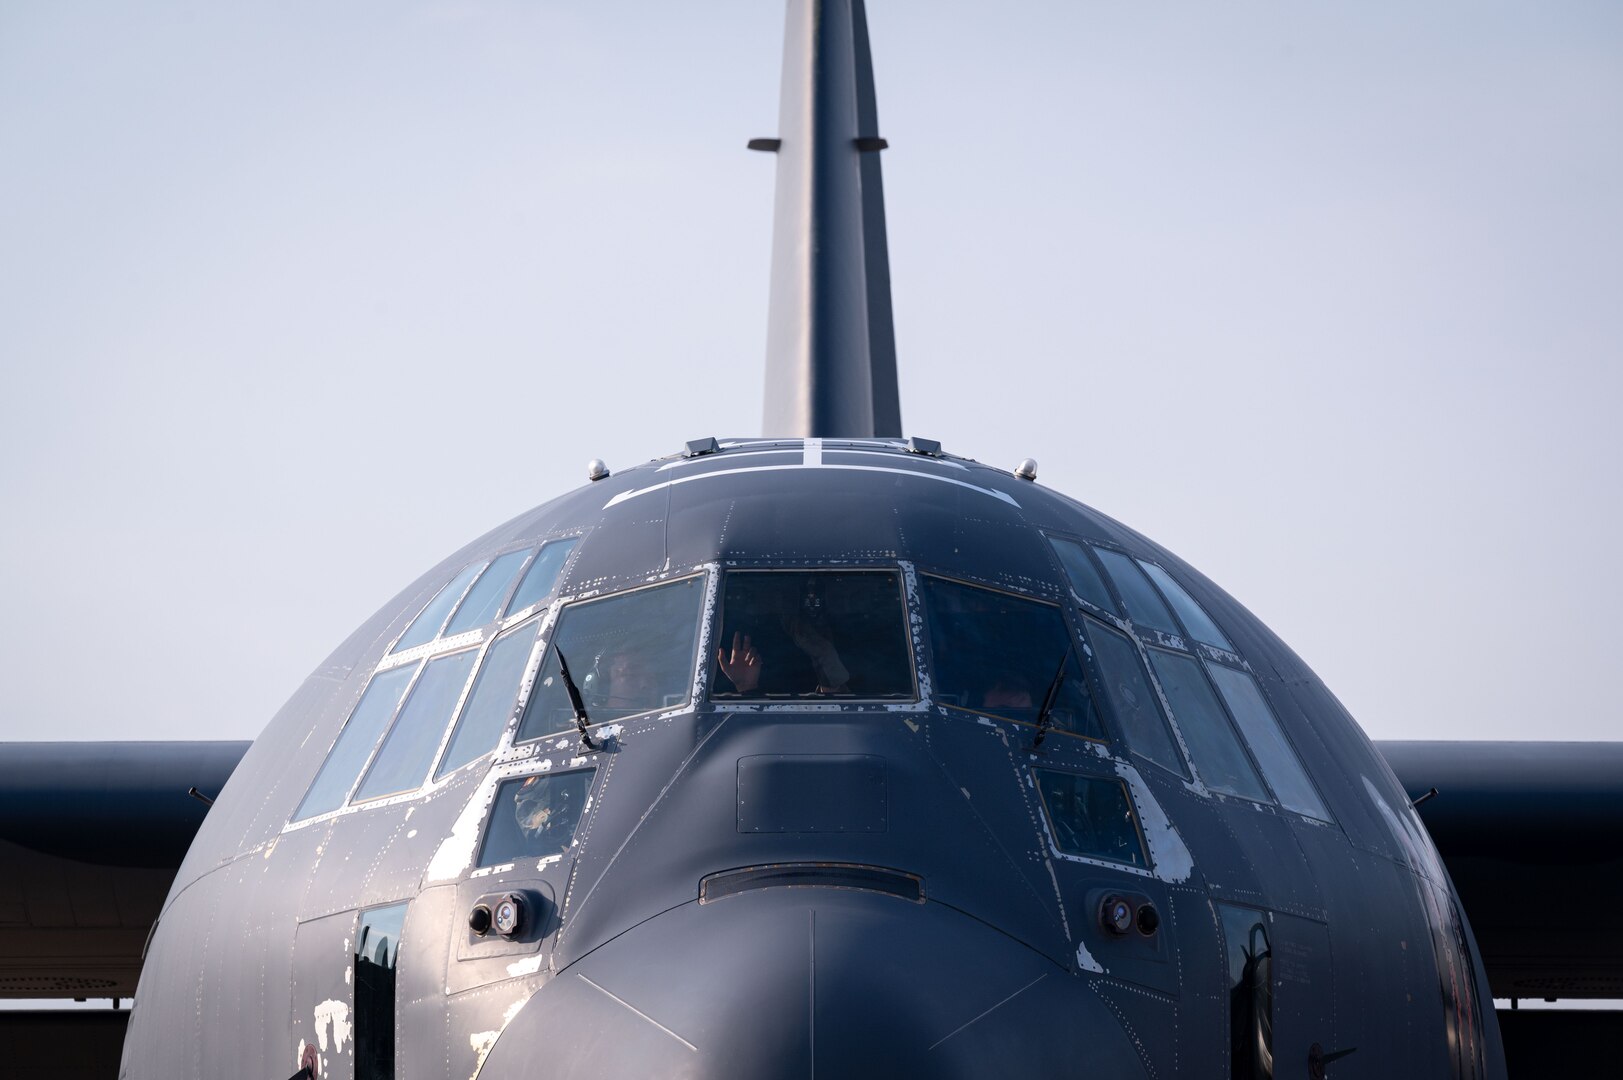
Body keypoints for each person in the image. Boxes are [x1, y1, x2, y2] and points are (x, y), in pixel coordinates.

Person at [715, 576, 851, 695]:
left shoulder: (851, 634)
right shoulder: (734, 638)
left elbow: (848, 709)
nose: (810, 601)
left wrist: (827, 659)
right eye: (778, 592)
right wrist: (746, 687)